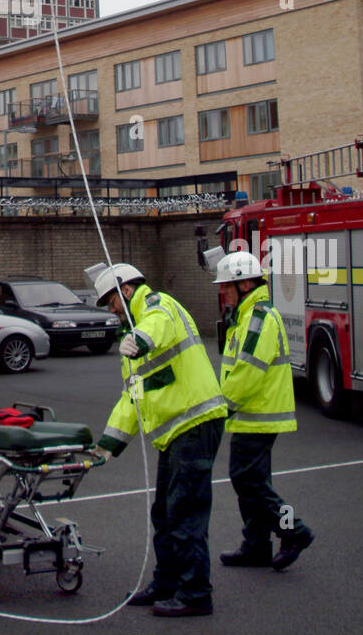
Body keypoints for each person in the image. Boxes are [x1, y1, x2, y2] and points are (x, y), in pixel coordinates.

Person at [94, 262, 227, 616]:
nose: (111, 309)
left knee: (185, 512)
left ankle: (196, 594)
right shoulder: (134, 329)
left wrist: (139, 340)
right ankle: (167, 583)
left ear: (125, 290)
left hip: (195, 424)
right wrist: (107, 445)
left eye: (110, 301)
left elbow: (158, 327)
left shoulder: (157, 306)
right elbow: (132, 398)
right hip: (177, 432)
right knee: (165, 513)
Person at [215, 251, 314, 571]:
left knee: (250, 482)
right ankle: (256, 545)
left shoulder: (258, 317)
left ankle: (293, 530)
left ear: (245, 284)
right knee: (253, 481)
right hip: (252, 415)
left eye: (227, 286)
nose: (222, 291)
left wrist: (221, 409)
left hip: (257, 415)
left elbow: (247, 372)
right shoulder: (248, 315)